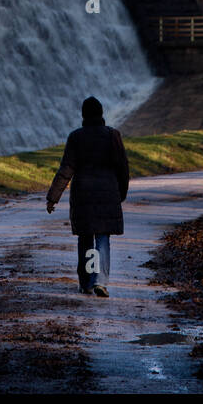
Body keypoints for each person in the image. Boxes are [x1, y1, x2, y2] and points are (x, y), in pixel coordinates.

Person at [46, 95, 130, 298]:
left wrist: (53, 197)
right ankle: (100, 281)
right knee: (102, 238)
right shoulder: (113, 135)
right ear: (102, 114)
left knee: (86, 239)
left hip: (83, 194)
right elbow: (123, 168)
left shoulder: (76, 137)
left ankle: (87, 283)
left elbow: (66, 169)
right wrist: (122, 192)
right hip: (108, 193)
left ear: (83, 115)